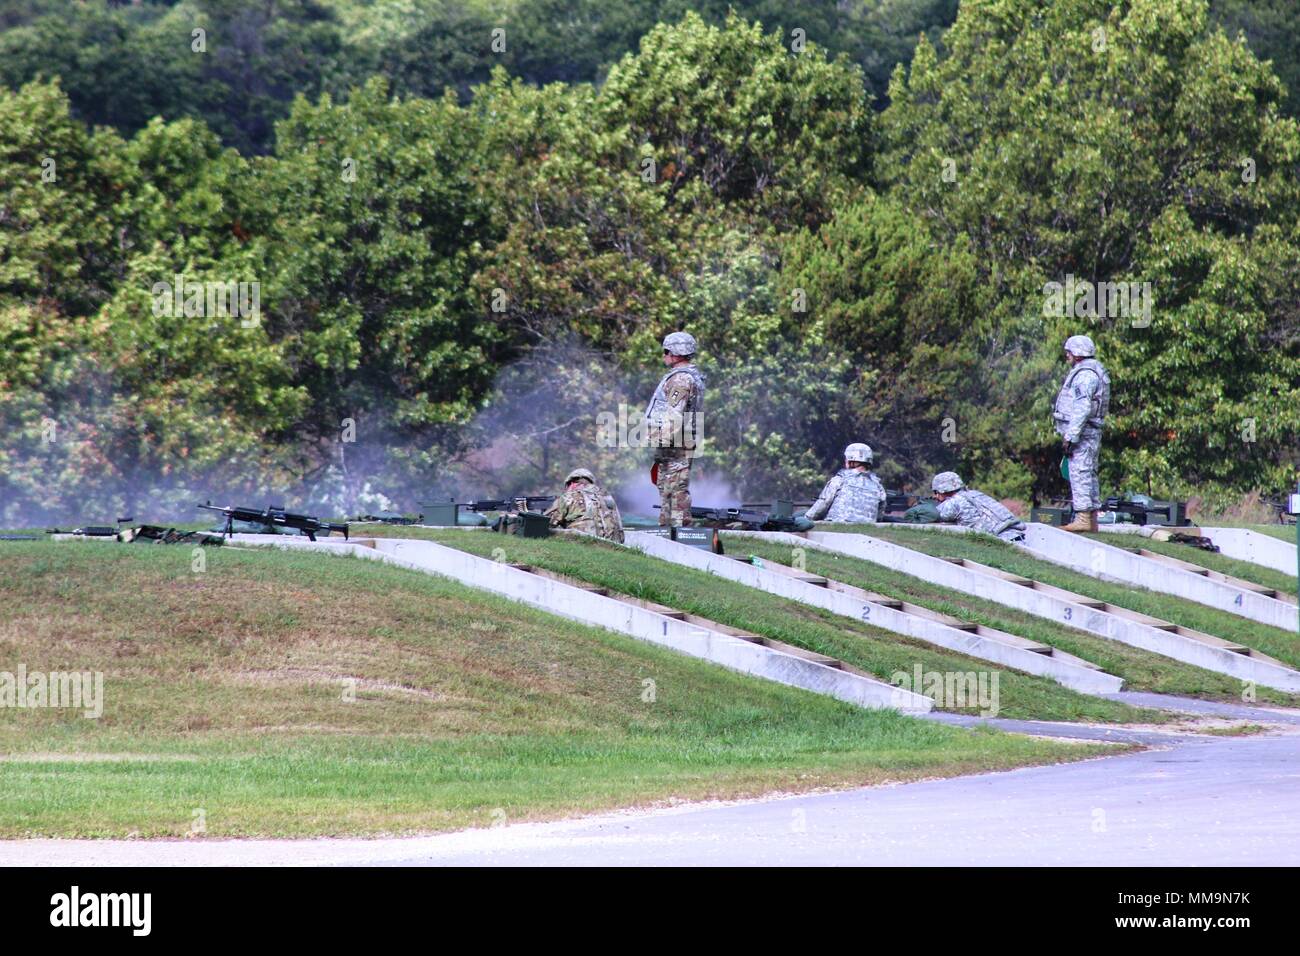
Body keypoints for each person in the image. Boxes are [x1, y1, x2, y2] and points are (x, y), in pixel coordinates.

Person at [645, 331, 706, 527]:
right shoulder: (686, 377)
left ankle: (678, 534)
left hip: (675, 444)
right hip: (676, 443)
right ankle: (668, 533)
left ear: (675, 353)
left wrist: (661, 439)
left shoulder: (680, 379)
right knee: (667, 488)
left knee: (675, 490)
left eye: (666, 351)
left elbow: (675, 414)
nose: (663, 355)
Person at [1052, 334, 1111, 532]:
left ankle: (1083, 518)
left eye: (1068, 352)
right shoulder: (1094, 371)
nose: (1066, 355)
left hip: (1083, 434)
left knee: (1080, 473)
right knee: (1089, 473)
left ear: (1077, 353)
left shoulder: (1085, 375)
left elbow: (1082, 407)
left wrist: (1071, 436)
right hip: (1089, 432)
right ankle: (1091, 519)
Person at [930, 472, 1027, 542]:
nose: (935, 496)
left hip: (1001, 540)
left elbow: (930, 515)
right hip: (1018, 536)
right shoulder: (975, 494)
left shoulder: (954, 502)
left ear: (942, 490)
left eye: (936, 492)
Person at [805, 443, 886, 523]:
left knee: (800, 515)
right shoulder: (877, 485)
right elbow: (879, 514)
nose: (845, 461)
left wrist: (806, 518)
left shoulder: (840, 479)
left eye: (846, 458)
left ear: (852, 459)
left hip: (836, 525)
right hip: (867, 527)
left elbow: (823, 503)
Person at [544, 468, 624, 543]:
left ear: (572, 483)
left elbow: (542, 525)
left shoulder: (568, 497)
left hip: (583, 547)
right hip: (613, 548)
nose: (567, 490)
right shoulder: (608, 497)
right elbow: (621, 533)